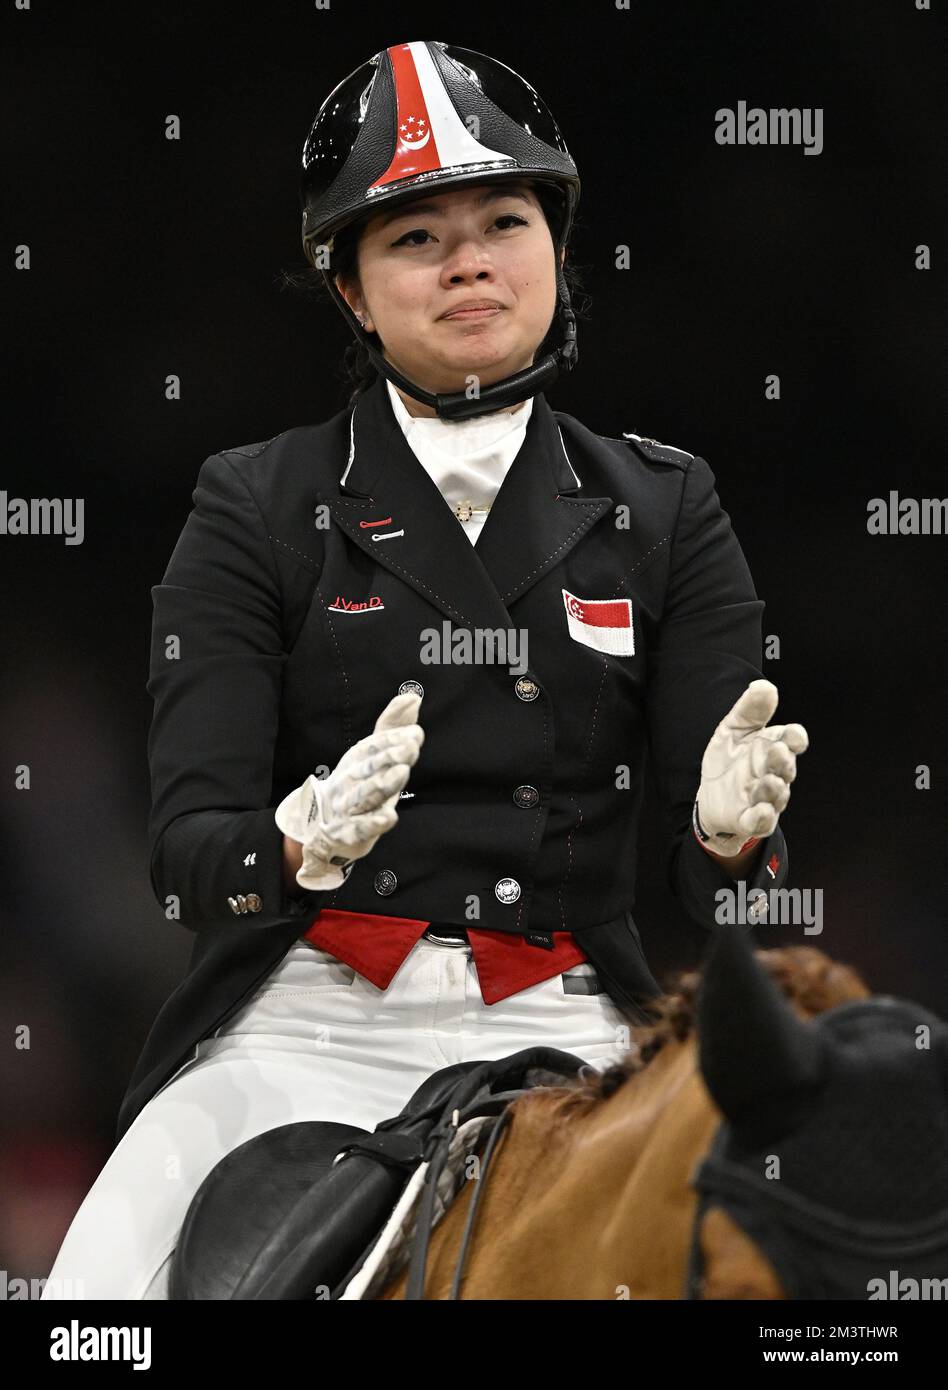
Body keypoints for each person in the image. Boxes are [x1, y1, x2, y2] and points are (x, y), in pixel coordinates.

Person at [41, 38, 807, 1301]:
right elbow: (190, 857)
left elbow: (721, 893)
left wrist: (731, 842)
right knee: (90, 1301)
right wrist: (293, 849)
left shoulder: (667, 506)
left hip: (570, 1029)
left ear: (555, 247)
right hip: (306, 1022)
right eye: (413, 237)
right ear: (349, 290)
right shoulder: (257, 502)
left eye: (503, 219)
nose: (468, 261)